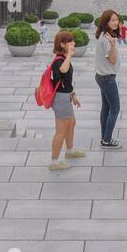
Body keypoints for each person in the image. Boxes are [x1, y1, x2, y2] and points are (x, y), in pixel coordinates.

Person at [47, 31, 83, 171]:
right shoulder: (60, 61)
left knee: (71, 123)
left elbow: (64, 81)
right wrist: (69, 56)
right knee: (61, 130)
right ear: (62, 44)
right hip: (61, 100)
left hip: (65, 96)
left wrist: (73, 95)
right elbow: (63, 70)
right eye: (70, 42)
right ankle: (54, 162)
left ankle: (70, 150)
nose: (73, 44)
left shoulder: (63, 58)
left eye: (73, 41)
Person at [93, 10, 122, 149]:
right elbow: (112, 59)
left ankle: (104, 138)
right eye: (112, 20)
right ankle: (107, 140)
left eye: (117, 19)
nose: (116, 22)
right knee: (115, 109)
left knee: (106, 108)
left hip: (102, 76)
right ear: (106, 23)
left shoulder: (106, 36)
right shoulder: (107, 39)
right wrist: (113, 45)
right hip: (107, 78)